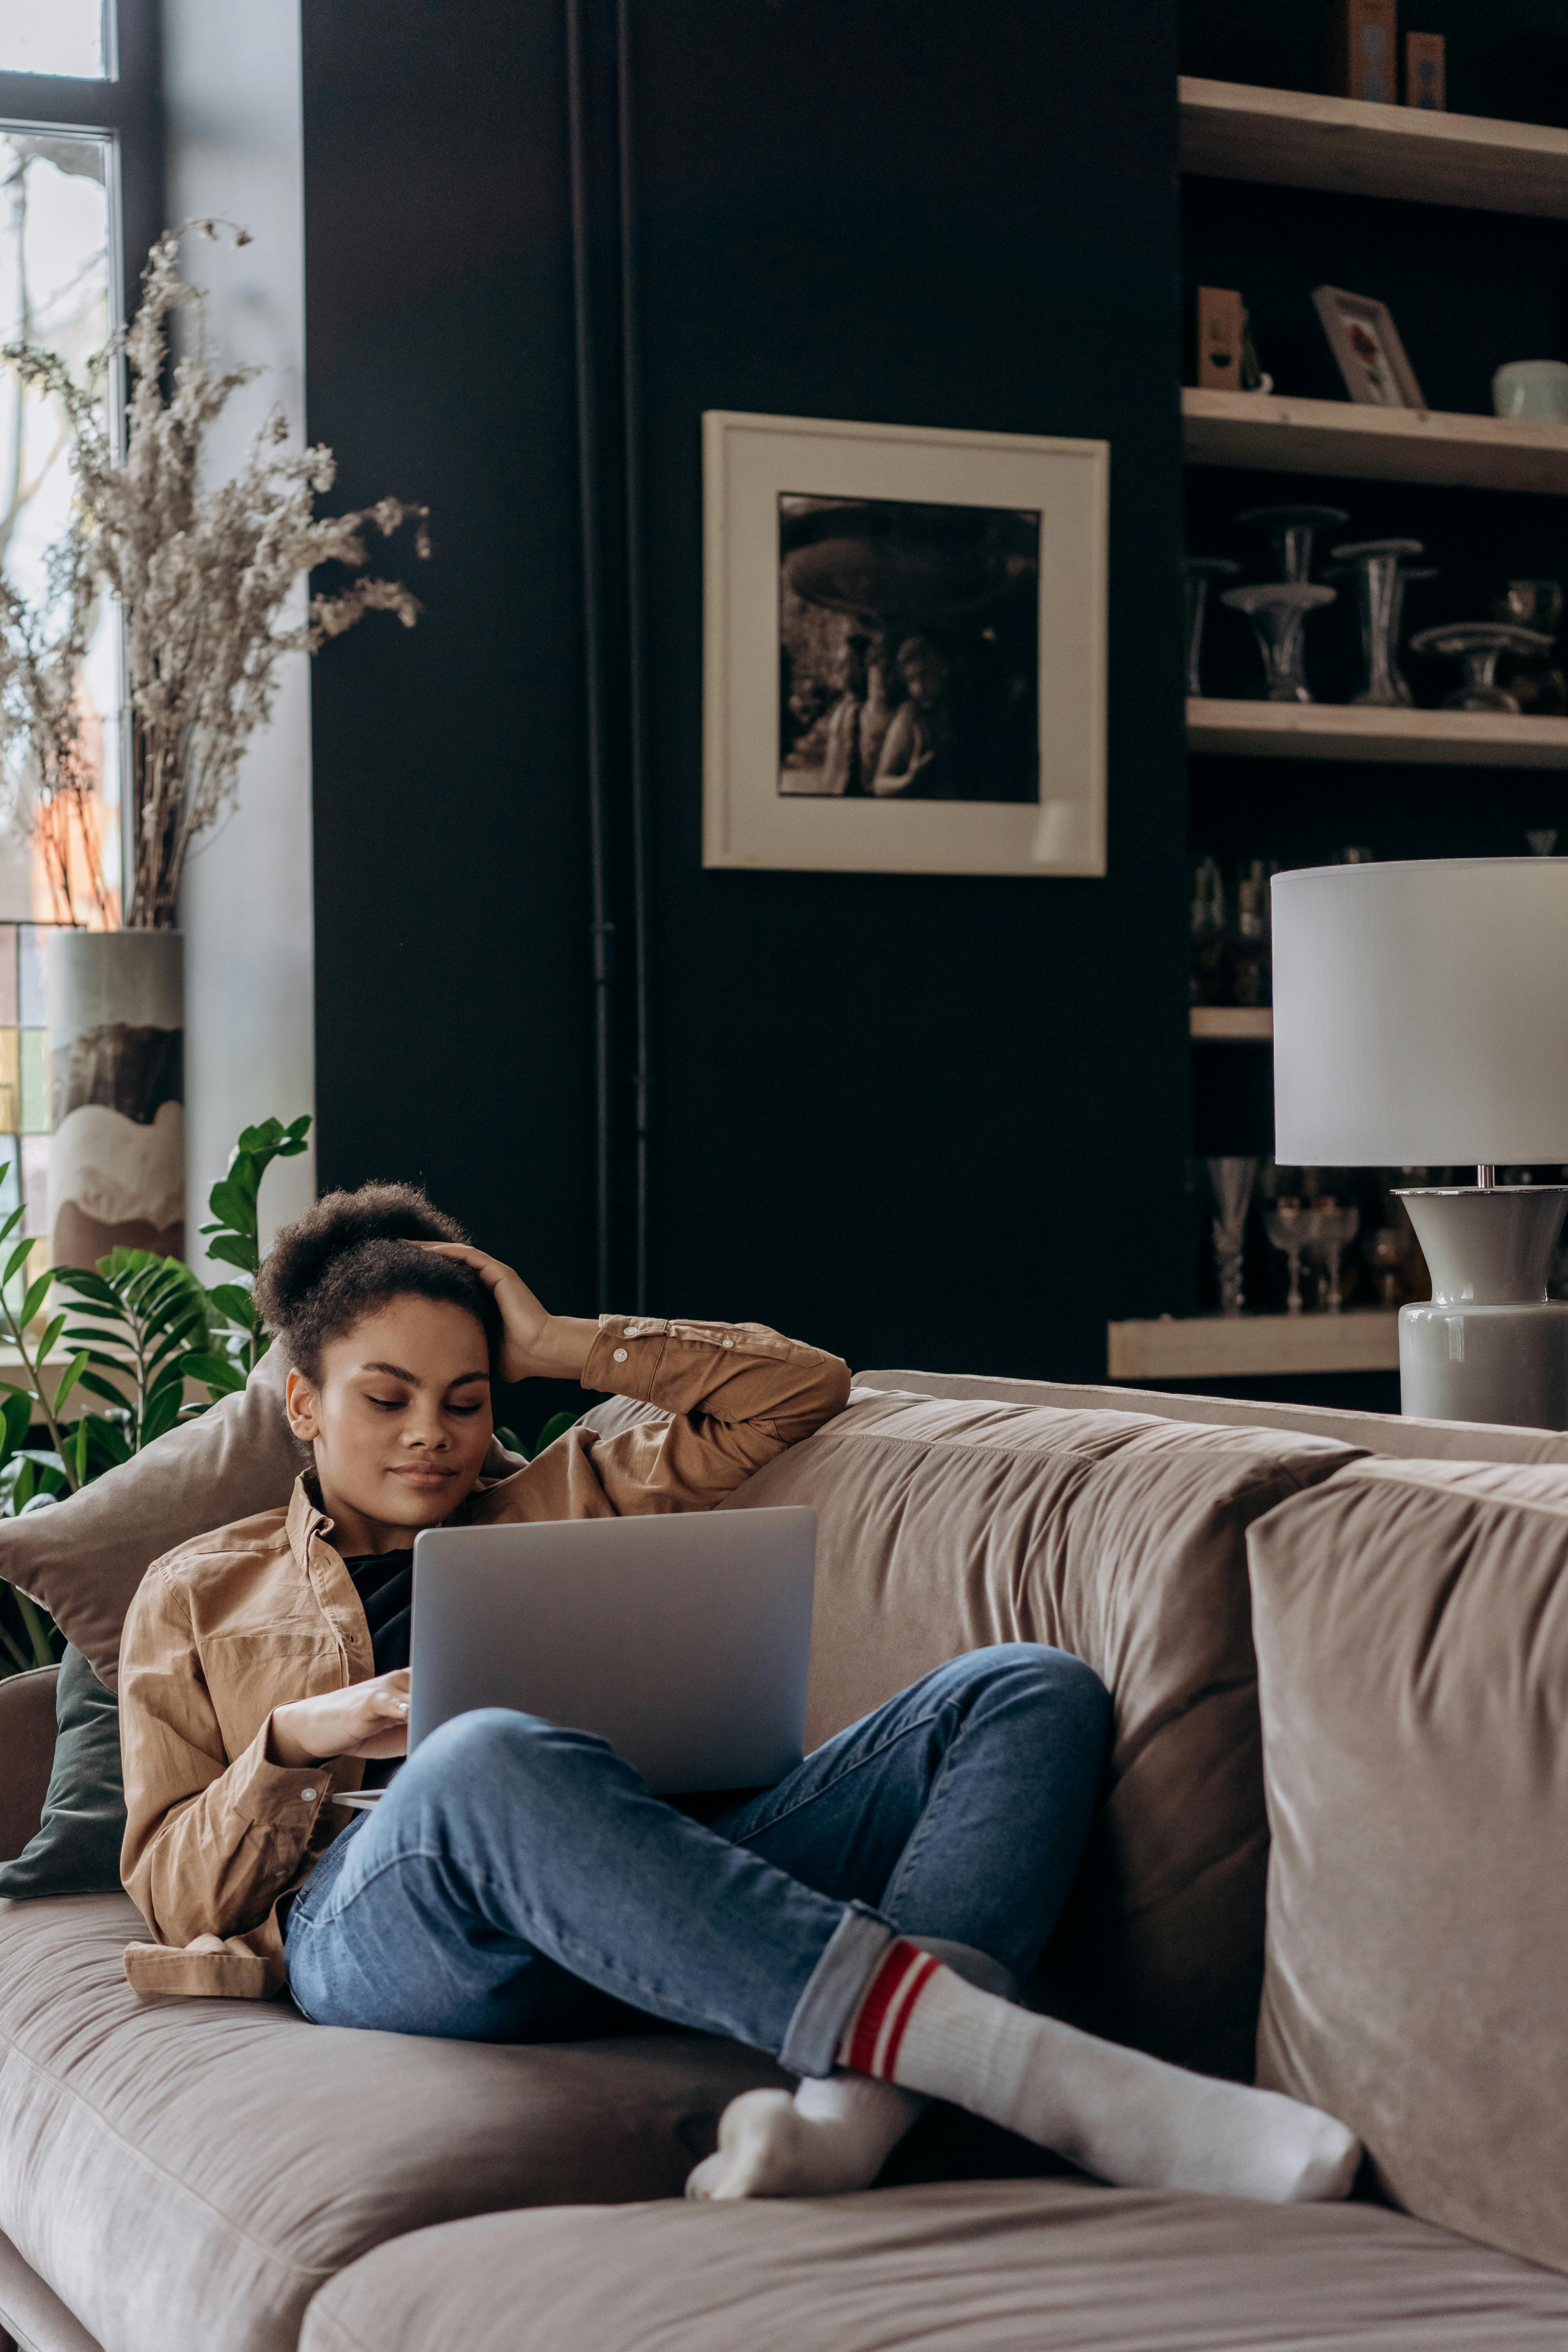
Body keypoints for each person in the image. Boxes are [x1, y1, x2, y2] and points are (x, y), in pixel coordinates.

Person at [118, 1186, 1360, 2206]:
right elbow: (172, 1885)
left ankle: (847, 2116)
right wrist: (299, 1737)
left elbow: (800, 1386)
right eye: (385, 1398)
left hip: (656, 1874)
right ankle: (1035, 2074)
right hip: (389, 1926)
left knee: (1023, 1688)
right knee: (481, 1753)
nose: (431, 1433)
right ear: (302, 1402)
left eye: (466, 1396)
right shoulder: (197, 1591)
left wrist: (558, 1343)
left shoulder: (572, 1491)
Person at [872, 635, 958, 797]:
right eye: (911, 679)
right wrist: (909, 780)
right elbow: (880, 784)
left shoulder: (960, 709)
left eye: (925, 675)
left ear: (942, 668)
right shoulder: (909, 715)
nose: (919, 688)